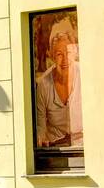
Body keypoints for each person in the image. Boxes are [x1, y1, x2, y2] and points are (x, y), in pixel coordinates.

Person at [35, 17, 83, 149]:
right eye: (59, 54)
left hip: (84, 145)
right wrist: (41, 137)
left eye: (68, 52)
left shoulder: (85, 76)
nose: (65, 60)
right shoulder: (44, 85)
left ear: (75, 53)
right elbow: (40, 127)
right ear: (51, 56)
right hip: (56, 148)